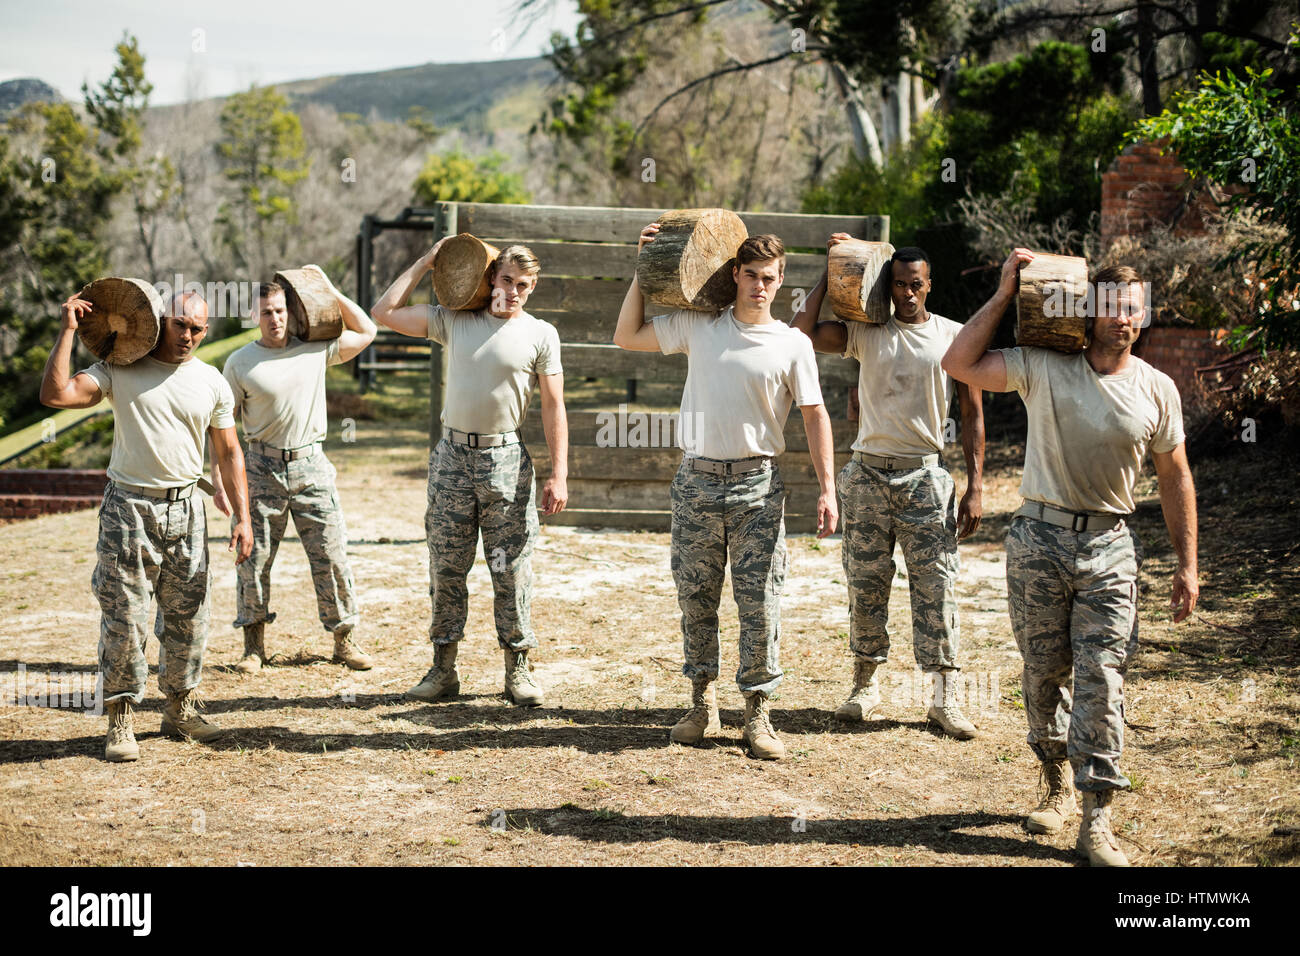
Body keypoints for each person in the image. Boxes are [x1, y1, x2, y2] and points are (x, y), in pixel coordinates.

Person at [941, 251, 1199, 866]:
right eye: (1112, 307)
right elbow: (959, 362)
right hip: (1038, 540)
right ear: (1088, 309)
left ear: (1144, 316)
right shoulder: (1043, 366)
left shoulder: (1156, 389)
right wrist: (1005, 292)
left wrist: (1188, 563)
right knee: (1043, 672)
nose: (1123, 319)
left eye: (1134, 309)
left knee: (1102, 678)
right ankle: (1053, 778)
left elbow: (1175, 478)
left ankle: (1096, 816)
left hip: (1111, 546)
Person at [615, 227, 837, 760]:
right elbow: (627, 334)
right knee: (696, 596)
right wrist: (643, 264)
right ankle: (700, 703)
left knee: (759, 602)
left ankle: (757, 713)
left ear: (781, 281)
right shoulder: (699, 327)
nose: (759, 286)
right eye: (751, 276)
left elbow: (815, 415)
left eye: (769, 278)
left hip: (757, 486)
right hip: (697, 481)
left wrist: (828, 488)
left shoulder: (792, 344)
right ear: (735, 275)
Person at [40, 290, 252, 762]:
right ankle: (119, 717)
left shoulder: (212, 382)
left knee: (189, 618)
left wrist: (244, 516)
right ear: (160, 322)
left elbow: (229, 453)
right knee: (125, 619)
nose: (189, 336)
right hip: (129, 509)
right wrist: (68, 330)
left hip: (187, 510)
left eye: (198, 328)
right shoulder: (119, 367)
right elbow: (55, 395)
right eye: (180, 325)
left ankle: (180, 707)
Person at [791, 239, 984, 739]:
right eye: (898, 284)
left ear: (929, 285)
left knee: (936, 587)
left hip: (925, 477)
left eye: (915, 284)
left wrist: (976, 485)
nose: (907, 293)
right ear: (888, 285)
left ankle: (944, 698)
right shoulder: (867, 330)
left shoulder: (954, 338)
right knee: (865, 582)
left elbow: (974, 415)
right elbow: (801, 333)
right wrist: (830, 270)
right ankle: (864, 686)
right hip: (868, 476)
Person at [372, 243, 569, 706]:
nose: (513, 291)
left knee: (511, 569)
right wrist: (425, 262)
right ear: (490, 277)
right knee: (446, 566)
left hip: (506, 462)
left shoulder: (541, 334)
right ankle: (443, 669)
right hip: (452, 459)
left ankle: (518, 667)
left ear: (532, 287)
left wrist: (559, 474)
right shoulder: (455, 320)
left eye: (523, 285)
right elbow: (385, 310)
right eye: (505, 280)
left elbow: (553, 405)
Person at [217, 268, 378, 673]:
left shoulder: (315, 349)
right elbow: (222, 428)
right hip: (260, 467)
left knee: (331, 554)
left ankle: (345, 640)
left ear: (291, 310)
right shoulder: (239, 363)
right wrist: (221, 482)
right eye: (267, 312)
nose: (275, 318)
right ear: (256, 316)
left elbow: (368, 330)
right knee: (252, 558)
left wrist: (328, 287)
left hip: (312, 466)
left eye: (280, 309)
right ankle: (253, 648)